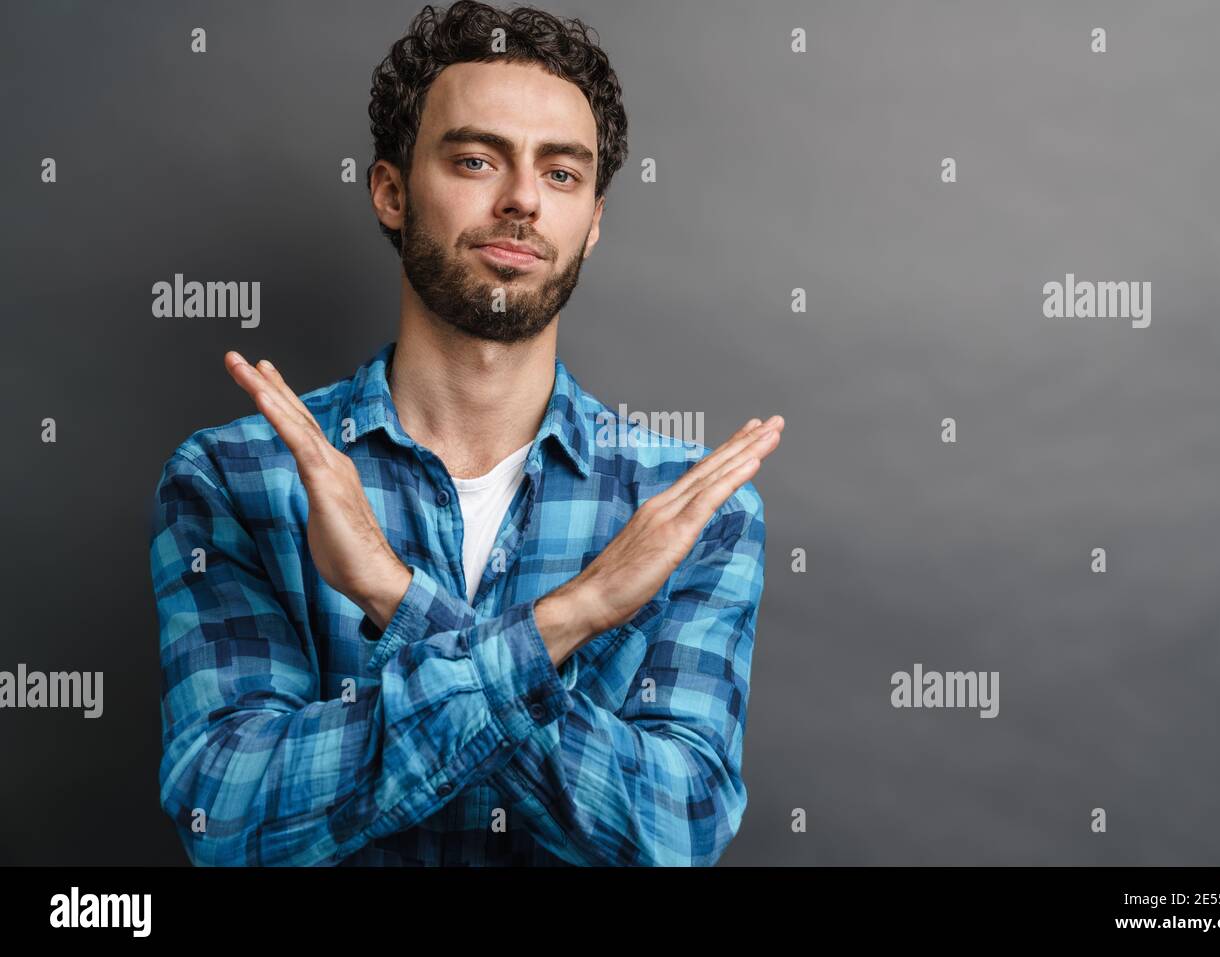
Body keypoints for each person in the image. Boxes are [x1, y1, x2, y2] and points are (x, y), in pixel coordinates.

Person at [149, 0, 783, 866]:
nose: (522, 199)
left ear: (593, 222)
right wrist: (571, 619)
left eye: (562, 174)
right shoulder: (238, 478)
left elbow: (674, 833)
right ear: (391, 192)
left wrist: (395, 601)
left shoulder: (689, 512)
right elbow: (226, 816)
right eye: (478, 159)